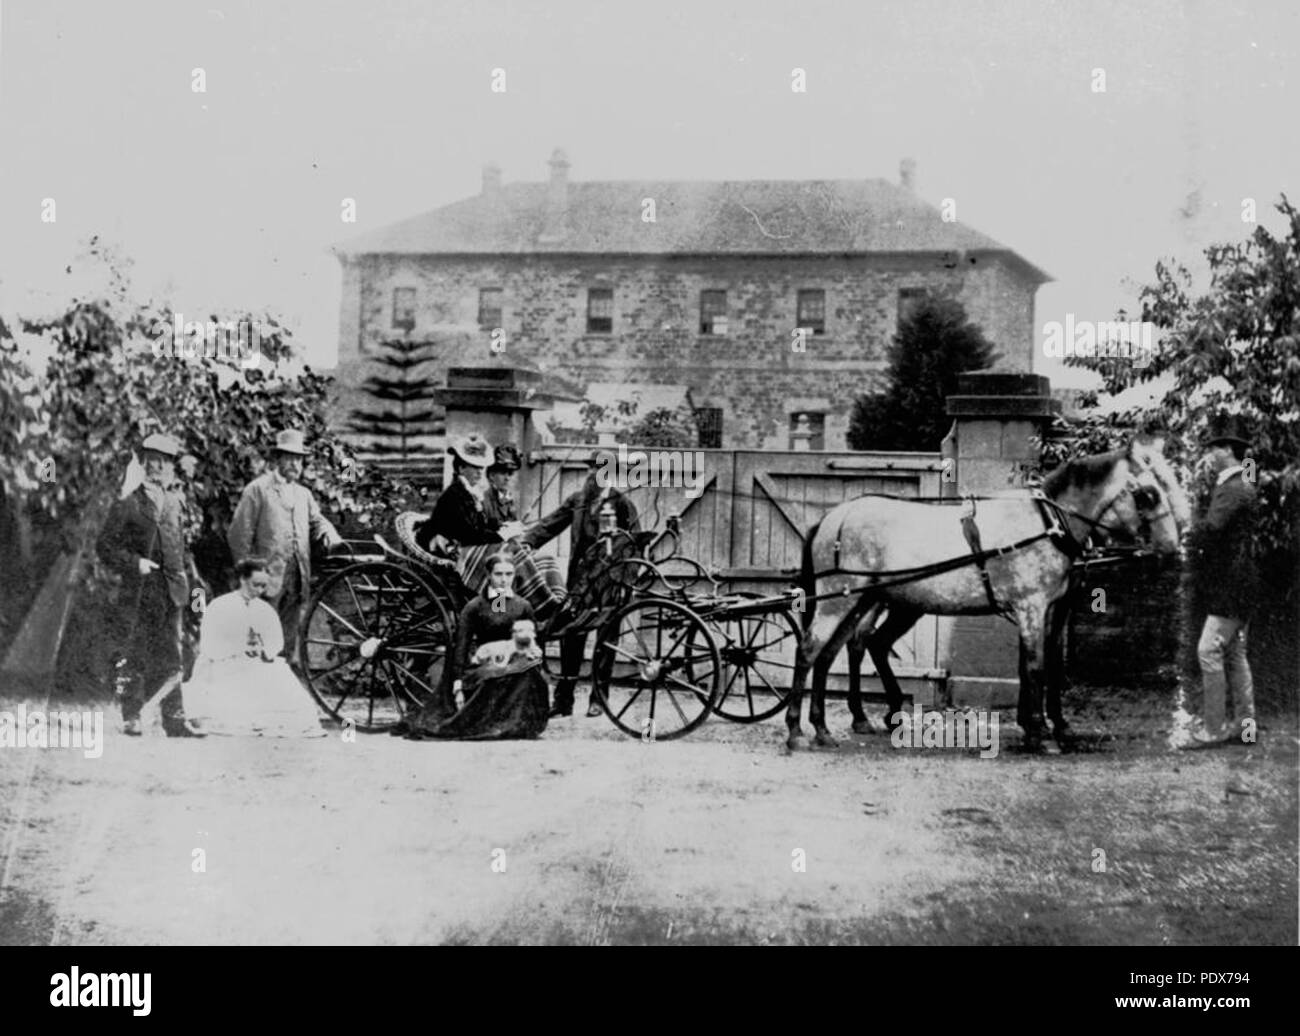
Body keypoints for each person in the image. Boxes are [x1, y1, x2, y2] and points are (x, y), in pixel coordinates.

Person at [96, 432, 205, 737]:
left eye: (165, 462)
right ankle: (131, 716)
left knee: (173, 655)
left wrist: (194, 587)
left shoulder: (174, 502)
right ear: (143, 463)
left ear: (172, 467)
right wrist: (135, 563)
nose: (159, 467)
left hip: (173, 593)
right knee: (135, 653)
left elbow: (181, 551)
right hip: (140, 592)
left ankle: (174, 718)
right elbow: (104, 546)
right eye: (153, 461)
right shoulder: (129, 503)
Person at [521, 448, 641, 717]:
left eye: (600, 469)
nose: (594, 474)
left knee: (605, 642)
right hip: (581, 582)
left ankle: (599, 699)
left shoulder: (622, 504)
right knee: (571, 637)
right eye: (591, 468)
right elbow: (550, 524)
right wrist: (526, 541)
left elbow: (635, 545)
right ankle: (564, 701)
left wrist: (627, 581)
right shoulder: (578, 500)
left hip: (610, 581)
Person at [227, 429, 343, 668]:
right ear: (277, 459)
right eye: (289, 457)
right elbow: (239, 535)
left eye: (299, 459)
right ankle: (255, 694)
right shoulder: (258, 490)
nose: (294, 464)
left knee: (287, 640)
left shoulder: (304, 494)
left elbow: (317, 521)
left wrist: (330, 534)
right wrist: (248, 575)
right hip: (265, 579)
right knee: (259, 638)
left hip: (297, 577)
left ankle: (281, 692)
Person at [405, 554, 550, 740]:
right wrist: (457, 682)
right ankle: (494, 723)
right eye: (499, 574)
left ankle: (516, 723)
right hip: (484, 662)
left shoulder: (523, 606)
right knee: (492, 674)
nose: (504, 580)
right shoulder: (474, 607)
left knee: (529, 673)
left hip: (514, 659)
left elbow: (531, 640)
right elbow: (462, 645)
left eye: (509, 574)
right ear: (489, 575)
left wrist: (534, 653)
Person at [184, 558, 327, 738]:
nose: (259, 591)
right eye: (255, 585)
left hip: (256, 661)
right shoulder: (221, 605)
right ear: (243, 580)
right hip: (225, 662)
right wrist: (236, 648)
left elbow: (275, 641)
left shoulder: (264, 609)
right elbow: (210, 642)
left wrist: (263, 650)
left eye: (263, 586)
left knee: (280, 680)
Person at [1182, 416, 1259, 748]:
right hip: (1240, 584)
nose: (1210, 454)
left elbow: (1212, 531)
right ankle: (1245, 726)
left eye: (1214, 448)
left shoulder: (1232, 488)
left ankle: (1213, 729)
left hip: (1229, 586)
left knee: (1208, 651)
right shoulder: (1239, 484)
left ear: (1228, 450)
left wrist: (1186, 531)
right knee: (1234, 654)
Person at [414, 435, 524, 554]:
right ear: (461, 468)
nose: (480, 472)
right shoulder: (454, 495)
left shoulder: (468, 493)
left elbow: (478, 527)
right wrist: (501, 535)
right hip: (447, 552)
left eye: (481, 467)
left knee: (514, 550)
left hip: (463, 547)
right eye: (475, 467)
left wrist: (501, 528)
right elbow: (469, 535)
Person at [482, 443, 521, 525]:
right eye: (503, 473)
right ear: (492, 475)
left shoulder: (508, 500)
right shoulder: (484, 501)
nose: (507, 478)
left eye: (510, 473)